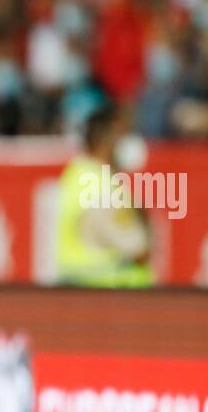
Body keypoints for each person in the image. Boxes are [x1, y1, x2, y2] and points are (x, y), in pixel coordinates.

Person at [55, 104, 154, 287]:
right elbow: (138, 249)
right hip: (109, 291)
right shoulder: (104, 186)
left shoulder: (75, 174)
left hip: (78, 285)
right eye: (124, 134)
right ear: (107, 140)